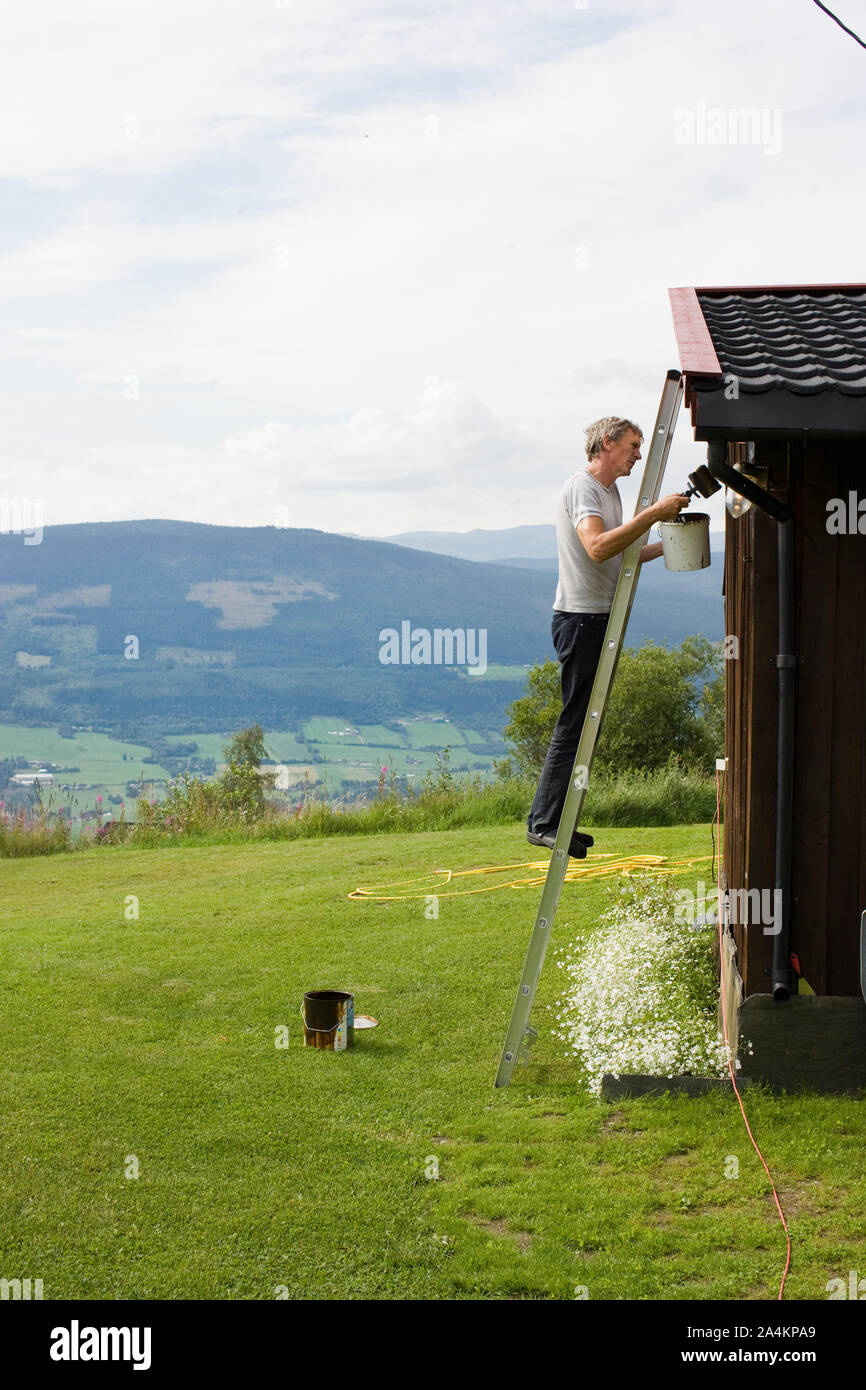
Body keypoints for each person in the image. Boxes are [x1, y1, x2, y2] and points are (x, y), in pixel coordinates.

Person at [526, 416, 690, 858]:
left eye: (640, 447)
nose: (639, 454)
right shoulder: (584, 487)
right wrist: (654, 514)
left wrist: (676, 541)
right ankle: (543, 822)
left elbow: (620, 553)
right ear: (606, 444)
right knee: (575, 722)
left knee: (586, 725)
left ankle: (560, 823)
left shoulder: (609, 492)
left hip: (597, 618)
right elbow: (597, 547)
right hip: (582, 621)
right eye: (633, 446)